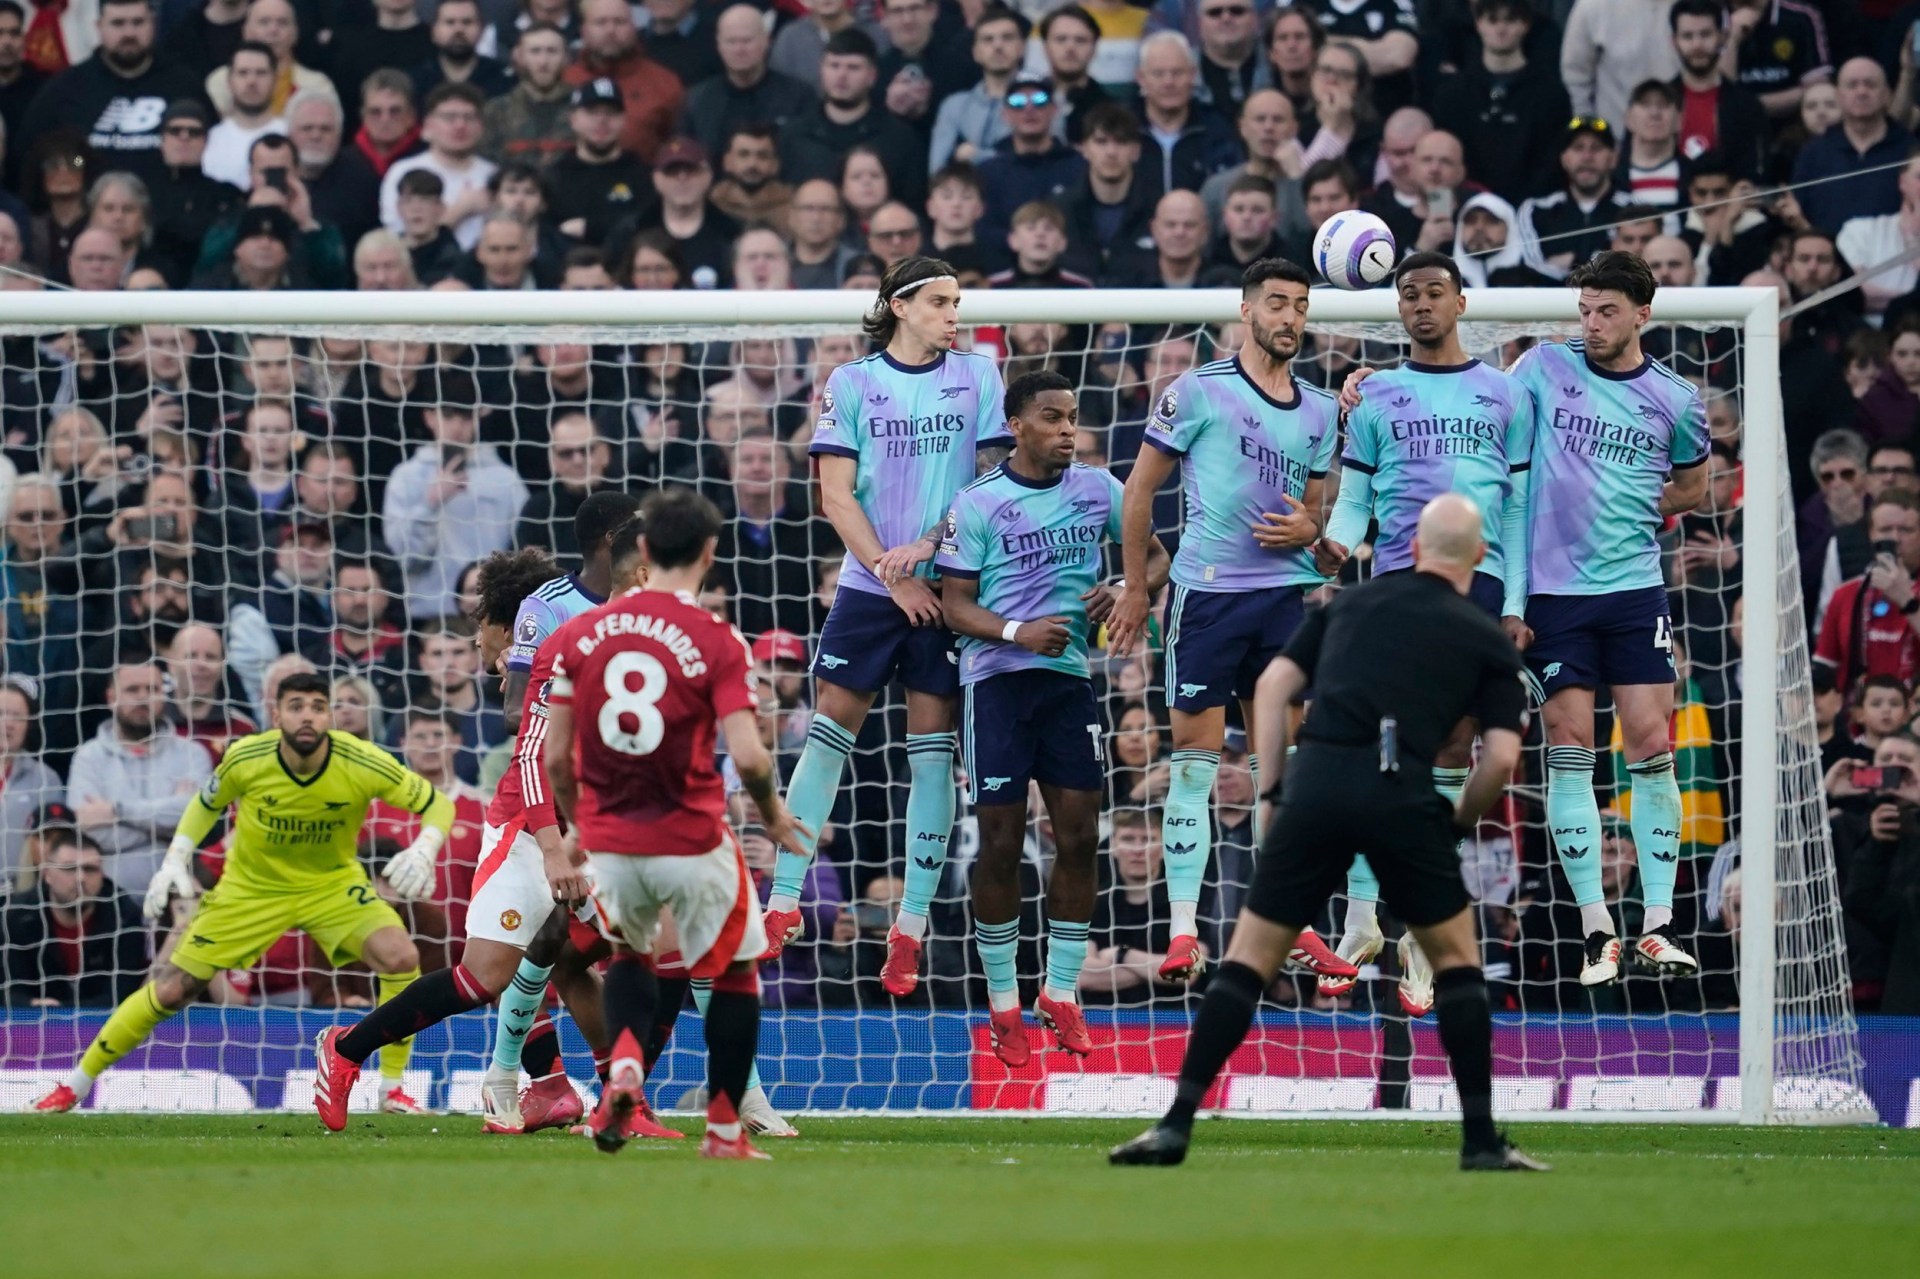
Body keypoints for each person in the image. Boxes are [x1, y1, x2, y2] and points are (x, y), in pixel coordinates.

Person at [1110, 493, 1543, 1172]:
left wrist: (1278, 784)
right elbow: (1503, 757)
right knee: (1457, 964)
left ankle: (1174, 1124)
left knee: (1249, 958)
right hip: (1403, 791)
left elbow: (1277, 681)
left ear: (1416, 549)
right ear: (1481, 556)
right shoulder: (1484, 634)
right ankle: (1481, 1139)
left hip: (1318, 783)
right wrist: (1455, 821)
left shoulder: (1347, 604)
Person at [34, 673, 453, 1117]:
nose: (306, 716)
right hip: (251, 888)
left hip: (331, 884)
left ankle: (391, 1090)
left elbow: (437, 803)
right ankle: (74, 1086)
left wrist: (426, 847)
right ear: (276, 714)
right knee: (173, 988)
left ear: (329, 715)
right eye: (296, 706)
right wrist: (177, 856)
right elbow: (205, 805)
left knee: (401, 957)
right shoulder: (246, 757)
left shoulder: (363, 760)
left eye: (316, 706)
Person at [762, 256, 1012, 994]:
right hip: (873, 588)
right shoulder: (852, 382)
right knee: (826, 738)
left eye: (958, 301)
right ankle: (782, 904)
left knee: (932, 756)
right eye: (940, 301)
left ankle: (909, 928)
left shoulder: (979, 378)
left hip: (950, 586)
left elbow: (992, 483)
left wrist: (931, 547)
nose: (954, 314)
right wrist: (890, 573)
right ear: (900, 307)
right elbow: (834, 495)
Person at [540, 487, 807, 1158]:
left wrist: (572, 830)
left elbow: (555, 756)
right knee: (734, 969)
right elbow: (747, 753)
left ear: (645, 551)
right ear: (711, 554)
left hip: (610, 838)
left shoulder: (579, 633)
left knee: (631, 954)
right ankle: (723, 1129)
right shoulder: (717, 637)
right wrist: (772, 813)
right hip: (691, 833)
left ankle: (622, 1065)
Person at [1109, 257, 1349, 984]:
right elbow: (1139, 491)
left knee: (1284, 766)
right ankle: (1184, 932)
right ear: (1246, 311)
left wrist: (1309, 532)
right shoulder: (1198, 391)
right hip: (1208, 599)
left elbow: (1317, 519)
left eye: (1301, 305)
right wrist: (1134, 587)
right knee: (1195, 762)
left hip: (1284, 601)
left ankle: (1296, 919)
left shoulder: (1316, 409)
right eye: (1277, 303)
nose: (1290, 317)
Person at [1319, 251, 1535, 1005]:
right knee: (1374, 747)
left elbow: (1518, 505)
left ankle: (1414, 930)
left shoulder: (1503, 394)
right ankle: (1361, 915)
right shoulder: (1375, 395)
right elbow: (1354, 500)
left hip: (1479, 585)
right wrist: (1333, 549)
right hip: (1398, 588)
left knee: (1449, 744)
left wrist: (1515, 604)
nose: (1420, 305)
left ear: (1462, 303)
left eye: (1434, 293)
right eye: (1407, 294)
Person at [940, 369, 1171, 1062]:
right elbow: (954, 604)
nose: (1068, 428)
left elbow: (1157, 557)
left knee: (1078, 837)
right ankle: (1005, 1004)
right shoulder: (978, 503)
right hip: (997, 684)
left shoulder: (1100, 489)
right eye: (1052, 417)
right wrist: (1016, 631)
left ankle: (1061, 992)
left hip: (1068, 684)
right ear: (1017, 425)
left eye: (1072, 416)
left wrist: (1129, 586)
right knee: (1003, 845)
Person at [1506, 250, 1710, 985]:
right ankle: (1597, 927)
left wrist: (1642, 510)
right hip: (1553, 594)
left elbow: (1692, 484)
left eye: (1607, 312)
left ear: (1642, 314)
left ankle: (1659, 923)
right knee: (1570, 744)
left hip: (1632, 589)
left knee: (1652, 740)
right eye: (1585, 310)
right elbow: (1474, 407)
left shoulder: (1676, 399)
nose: (1591, 324)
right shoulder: (1540, 367)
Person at [65, 660, 212, 895]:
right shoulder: (88, 757)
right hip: (112, 900)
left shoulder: (193, 753)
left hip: (181, 897)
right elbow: (91, 835)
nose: (143, 698)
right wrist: (168, 824)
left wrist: (117, 811)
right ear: (112, 697)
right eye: (133, 690)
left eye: (152, 690)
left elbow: (197, 823)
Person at [1430, 0, 1570, 206]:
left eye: (1510, 20)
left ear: (1525, 25)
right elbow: (1438, 162)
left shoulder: (1551, 94)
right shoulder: (1451, 94)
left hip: (1533, 215)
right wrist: (1440, 214)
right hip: (1464, 210)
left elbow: (1553, 164)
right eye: (1492, 20)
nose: (1501, 29)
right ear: (1478, 24)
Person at [0, 828, 147, 1008]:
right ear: (47, 875)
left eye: (90, 869)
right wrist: (30, 1004)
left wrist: (62, 1011)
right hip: (33, 1024)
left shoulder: (124, 915)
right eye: (69, 868)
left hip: (102, 1024)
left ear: (102, 874)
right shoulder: (16, 916)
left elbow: (124, 994)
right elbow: (8, 990)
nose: (80, 878)